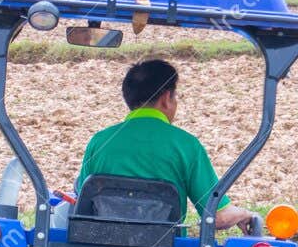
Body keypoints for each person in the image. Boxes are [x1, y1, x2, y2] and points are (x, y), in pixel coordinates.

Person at [74, 58, 257, 232]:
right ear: (166, 97)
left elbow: (81, 200)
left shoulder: (99, 141)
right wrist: (244, 214)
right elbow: (218, 216)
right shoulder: (186, 145)